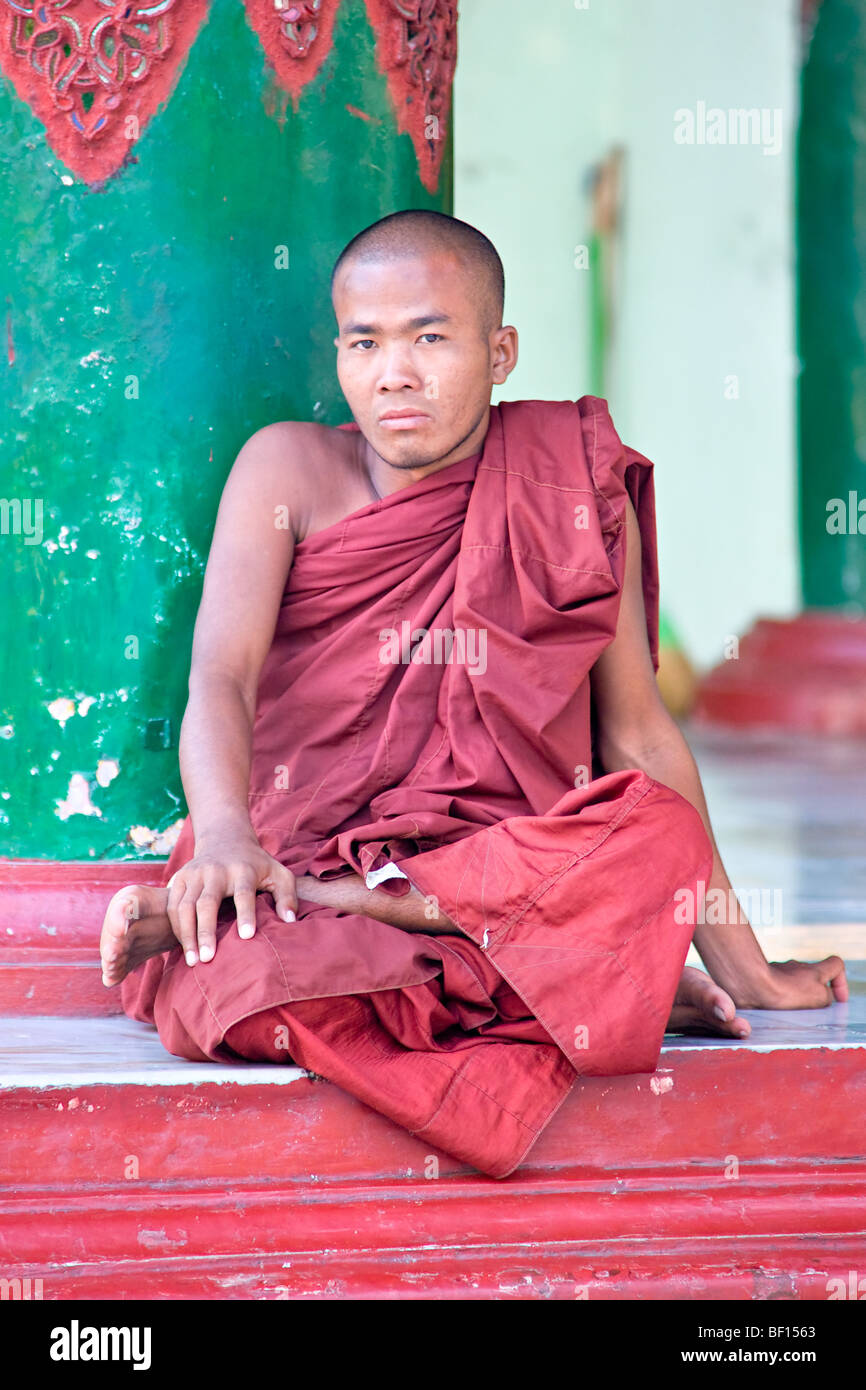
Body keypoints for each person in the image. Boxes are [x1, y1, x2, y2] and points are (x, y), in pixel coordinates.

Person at [100, 210, 847, 1178]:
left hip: (496, 858)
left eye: (428, 337)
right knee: (234, 970)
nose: (393, 373)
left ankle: (361, 915)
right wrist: (230, 836)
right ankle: (578, 977)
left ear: (499, 352)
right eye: (363, 342)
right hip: (306, 839)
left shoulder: (571, 482)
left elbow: (637, 736)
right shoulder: (285, 468)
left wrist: (747, 968)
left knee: (649, 836)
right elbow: (220, 677)